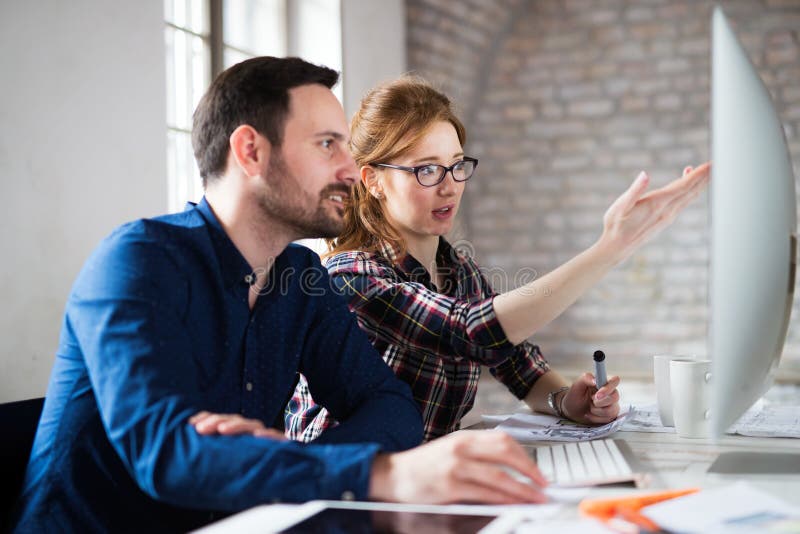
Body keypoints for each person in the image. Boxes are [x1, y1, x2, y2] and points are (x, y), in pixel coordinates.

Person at [11, 58, 551, 534]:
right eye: (327, 145)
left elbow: (393, 408)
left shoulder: (299, 277)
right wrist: (379, 471)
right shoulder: (138, 262)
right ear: (250, 151)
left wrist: (278, 460)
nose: (349, 169)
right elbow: (170, 455)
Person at [279, 76, 710, 442]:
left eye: (456, 165)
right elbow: (474, 332)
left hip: (424, 489)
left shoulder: (461, 275)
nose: (449, 186)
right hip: (341, 490)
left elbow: (520, 367)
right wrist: (609, 249)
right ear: (372, 181)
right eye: (426, 170)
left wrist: (567, 401)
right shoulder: (350, 275)